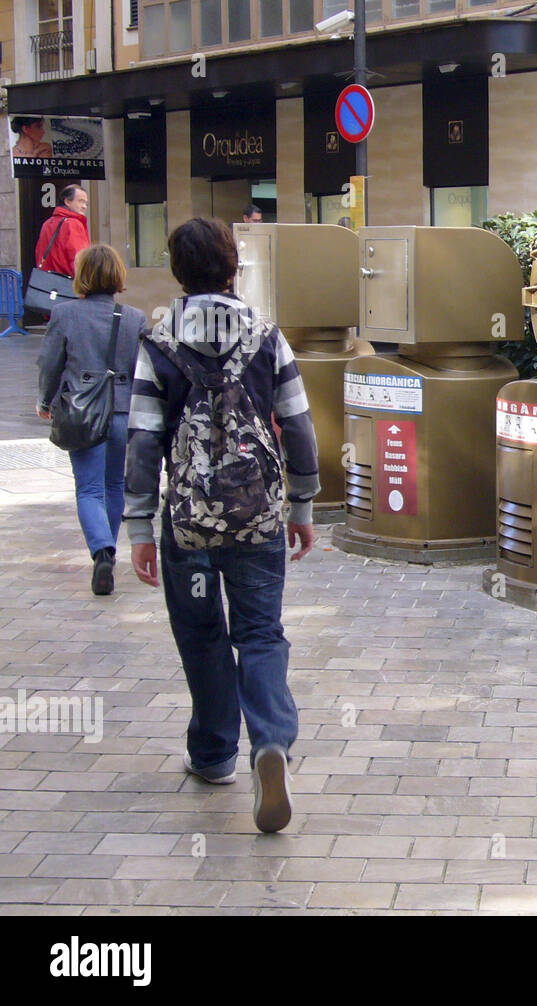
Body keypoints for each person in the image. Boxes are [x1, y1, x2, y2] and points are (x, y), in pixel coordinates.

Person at [124, 217, 319, 833]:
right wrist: (303, 505)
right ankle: (270, 741)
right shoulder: (266, 335)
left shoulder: (157, 338)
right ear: (233, 267)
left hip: (188, 525)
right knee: (260, 633)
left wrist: (136, 527)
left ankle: (213, 756)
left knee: (202, 635)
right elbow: (299, 423)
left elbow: (143, 439)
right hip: (257, 516)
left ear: (178, 271)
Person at [35, 245, 151, 596]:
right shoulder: (134, 318)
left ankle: (102, 551)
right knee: (115, 485)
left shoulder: (65, 314)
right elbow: (142, 370)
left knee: (88, 488)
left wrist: (45, 401)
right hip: (121, 409)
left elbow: (50, 363)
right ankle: (109, 550)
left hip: (82, 412)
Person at [34, 184, 91, 283]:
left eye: (86, 203)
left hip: (46, 285)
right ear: (67, 201)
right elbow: (80, 259)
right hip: (68, 286)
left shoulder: (47, 223)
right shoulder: (73, 224)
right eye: (81, 201)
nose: (84, 207)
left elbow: (39, 253)